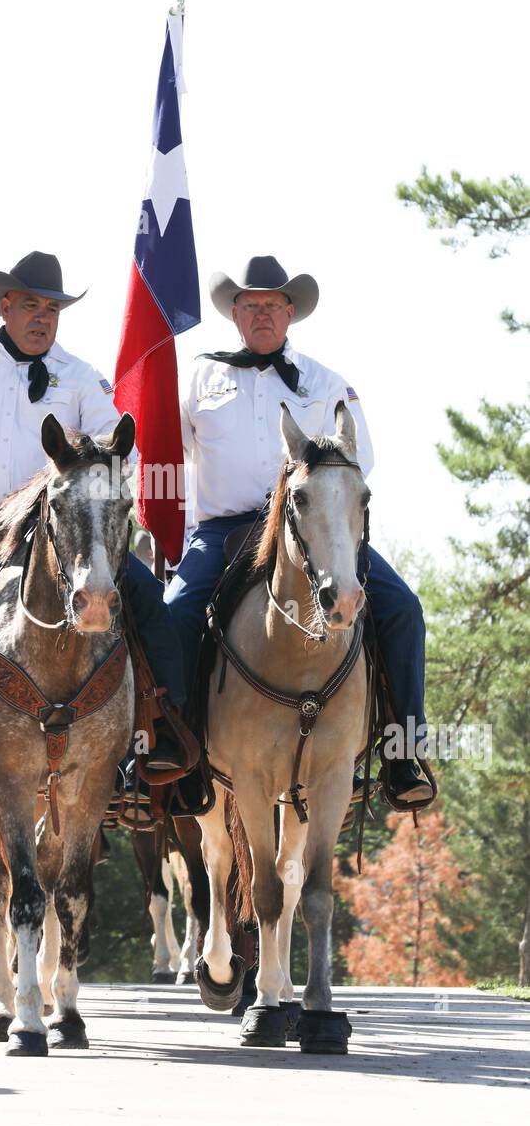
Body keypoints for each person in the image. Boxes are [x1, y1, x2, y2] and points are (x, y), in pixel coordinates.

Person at [0, 250, 185, 797]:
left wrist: (86, 473)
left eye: (51, 308)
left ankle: (162, 738)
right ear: (6, 307)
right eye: (30, 305)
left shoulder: (82, 378)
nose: (41, 317)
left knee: (146, 600)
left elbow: (125, 451)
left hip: (61, 525)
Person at [164, 254, 433, 806]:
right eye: (251, 305)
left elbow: (363, 462)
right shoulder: (197, 378)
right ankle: (176, 746)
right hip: (224, 530)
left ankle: (402, 753)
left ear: (290, 314)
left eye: (273, 305)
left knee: (403, 608)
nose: (262, 314)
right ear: (234, 313)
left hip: (316, 530)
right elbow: (162, 454)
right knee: (174, 613)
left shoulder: (327, 382)